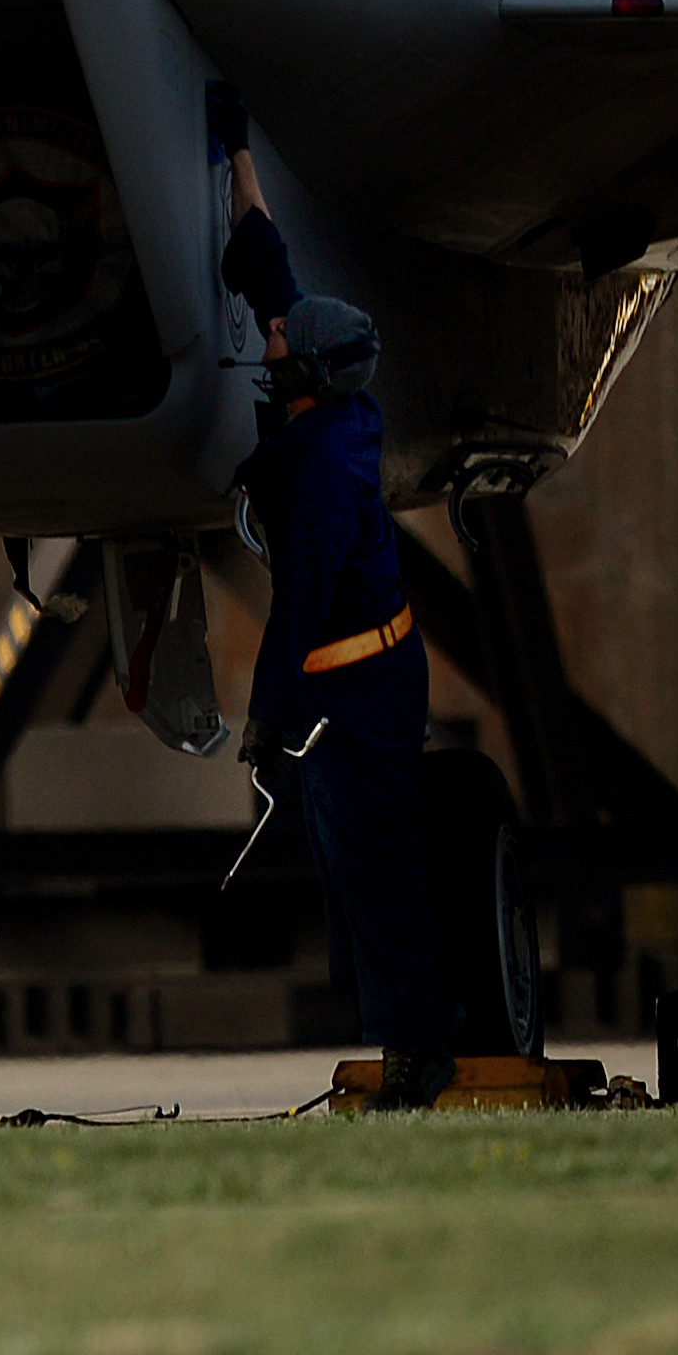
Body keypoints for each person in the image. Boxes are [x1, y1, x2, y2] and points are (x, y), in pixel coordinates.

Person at [219, 135, 452, 1111]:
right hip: (350, 681)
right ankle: (399, 1039)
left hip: (360, 693)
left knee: (372, 865)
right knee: (346, 857)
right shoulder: (329, 403)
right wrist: (238, 160)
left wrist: (267, 713)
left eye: (282, 340)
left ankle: (418, 1052)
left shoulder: (322, 473)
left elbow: (302, 603)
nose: (269, 337)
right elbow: (272, 271)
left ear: (306, 371)